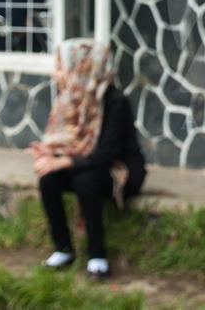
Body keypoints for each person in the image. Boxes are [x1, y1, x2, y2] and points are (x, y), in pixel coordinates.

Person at [28, 39, 147, 278]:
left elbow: (106, 154)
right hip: (86, 166)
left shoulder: (115, 102)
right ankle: (63, 249)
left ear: (83, 67)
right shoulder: (71, 98)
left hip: (118, 170)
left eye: (62, 67)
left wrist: (63, 161)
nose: (56, 74)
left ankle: (97, 256)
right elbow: (70, 142)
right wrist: (50, 152)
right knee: (48, 180)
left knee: (85, 181)